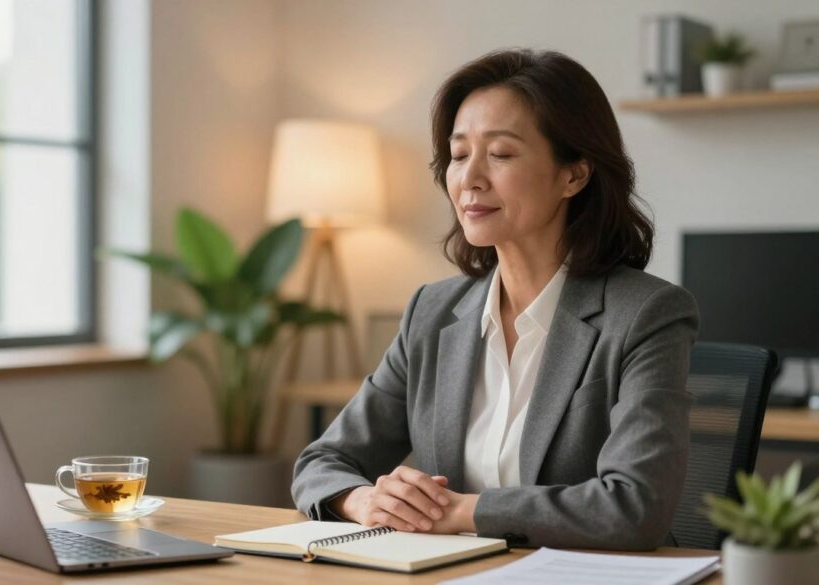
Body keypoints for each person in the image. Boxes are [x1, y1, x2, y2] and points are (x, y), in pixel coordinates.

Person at [290, 49, 699, 551]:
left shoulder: (646, 314)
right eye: (459, 155)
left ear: (575, 174)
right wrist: (363, 502)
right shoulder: (432, 312)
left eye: (500, 154)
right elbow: (321, 463)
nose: (470, 178)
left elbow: (635, 507)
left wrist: (464, 510)